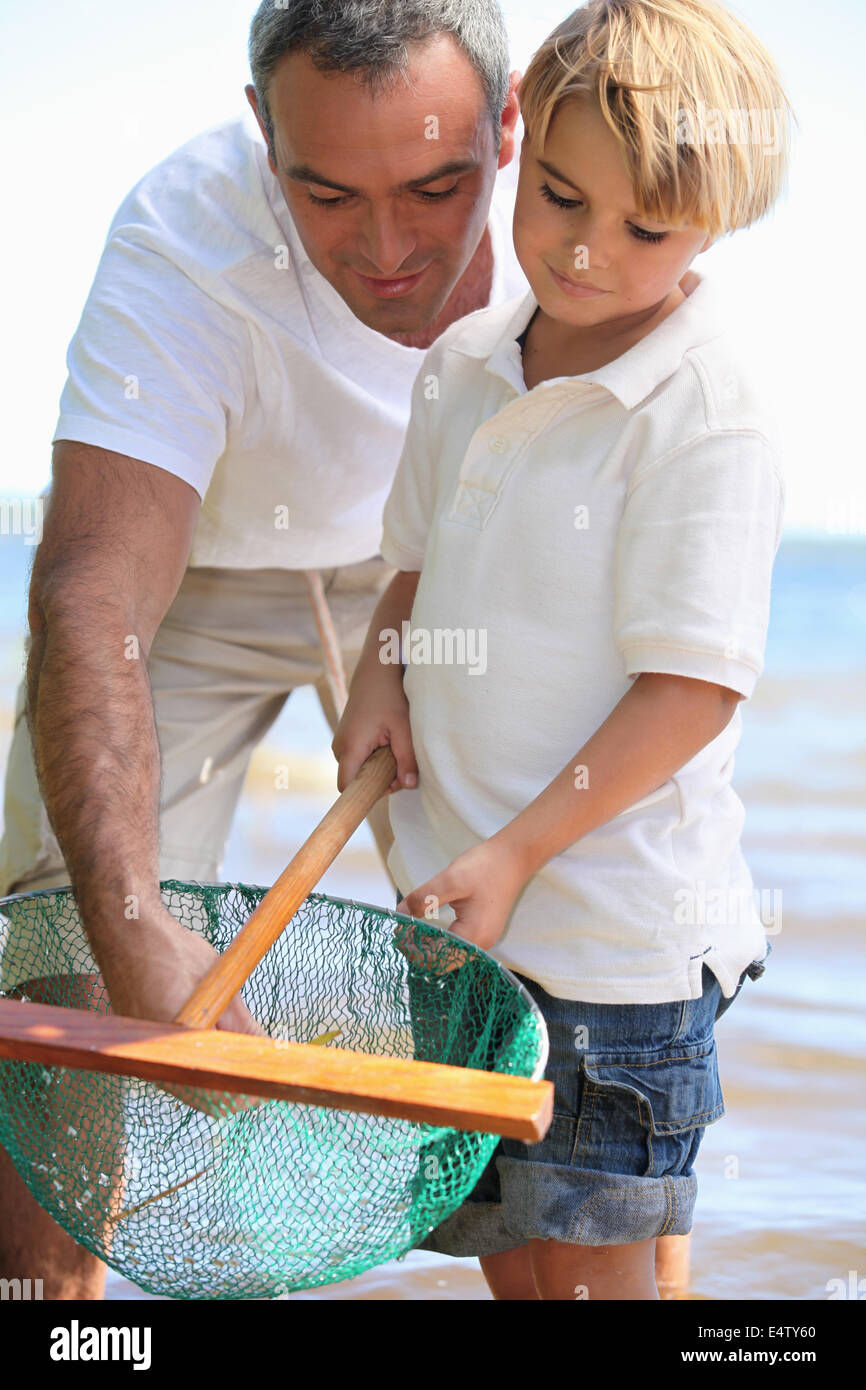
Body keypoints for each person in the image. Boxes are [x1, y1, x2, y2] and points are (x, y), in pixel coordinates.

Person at [0, 0, 526, 1299]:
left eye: (438, 185)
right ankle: (46, 1306)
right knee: (55, 937)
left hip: (452, 563)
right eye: (328, 193)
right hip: (210, 568)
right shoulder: (183, 234)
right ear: (260, 136)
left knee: (553, 929)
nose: (391, 248)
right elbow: (92, 592)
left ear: (508, 129)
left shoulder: (580, 207)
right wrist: (130, 925)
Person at [333, 0, 794, 1300]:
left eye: (643, 229)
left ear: (714, 218)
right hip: (471, 923)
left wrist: (519, 850)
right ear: (519, 121)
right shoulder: (468, 360)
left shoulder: (701, 413)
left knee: (592, 1281)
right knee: (516, 1261)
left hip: (608, 948)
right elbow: (410, 559)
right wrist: (380, 670)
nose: (585, 251)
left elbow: (691, 688)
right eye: (555, 196)